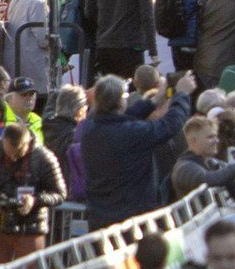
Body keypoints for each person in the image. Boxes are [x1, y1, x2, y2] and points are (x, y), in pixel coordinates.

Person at [82, 72, 195, 228]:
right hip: (131, 220)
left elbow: (123, 116)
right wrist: (182, 95)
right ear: (121, 101)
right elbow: (170, 125)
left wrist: (154, 101)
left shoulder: (90, 128)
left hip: (99, 216)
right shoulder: (130, 133)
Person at [0, 120, 64, 265]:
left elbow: (60, 193)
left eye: (18, 153)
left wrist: (35, 200)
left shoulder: (44, 158)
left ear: (28, 143)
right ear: (3, 141)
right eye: (8, 152)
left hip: (31, 230)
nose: (12, 157)